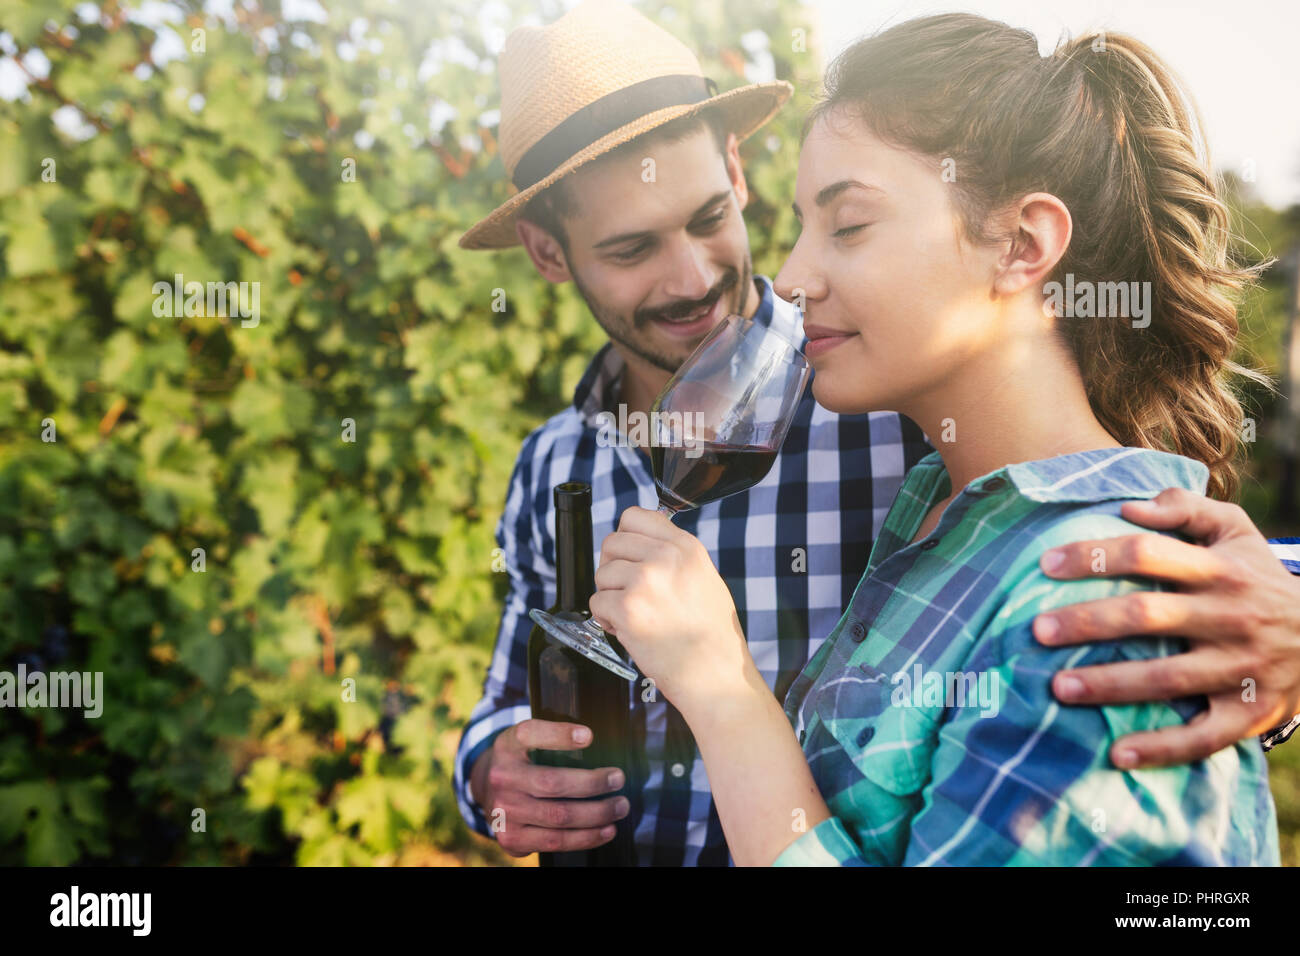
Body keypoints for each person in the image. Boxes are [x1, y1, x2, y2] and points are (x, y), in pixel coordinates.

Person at [453, 0, 1300, 864]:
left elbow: (1103, 510)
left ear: (736, 173)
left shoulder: (891, 399)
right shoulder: (557, 463)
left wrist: (1288, 605)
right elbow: (508, 696)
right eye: (632, 249)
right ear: (548, 253)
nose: (698, 275)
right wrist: (488, 771)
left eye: (710, 219)